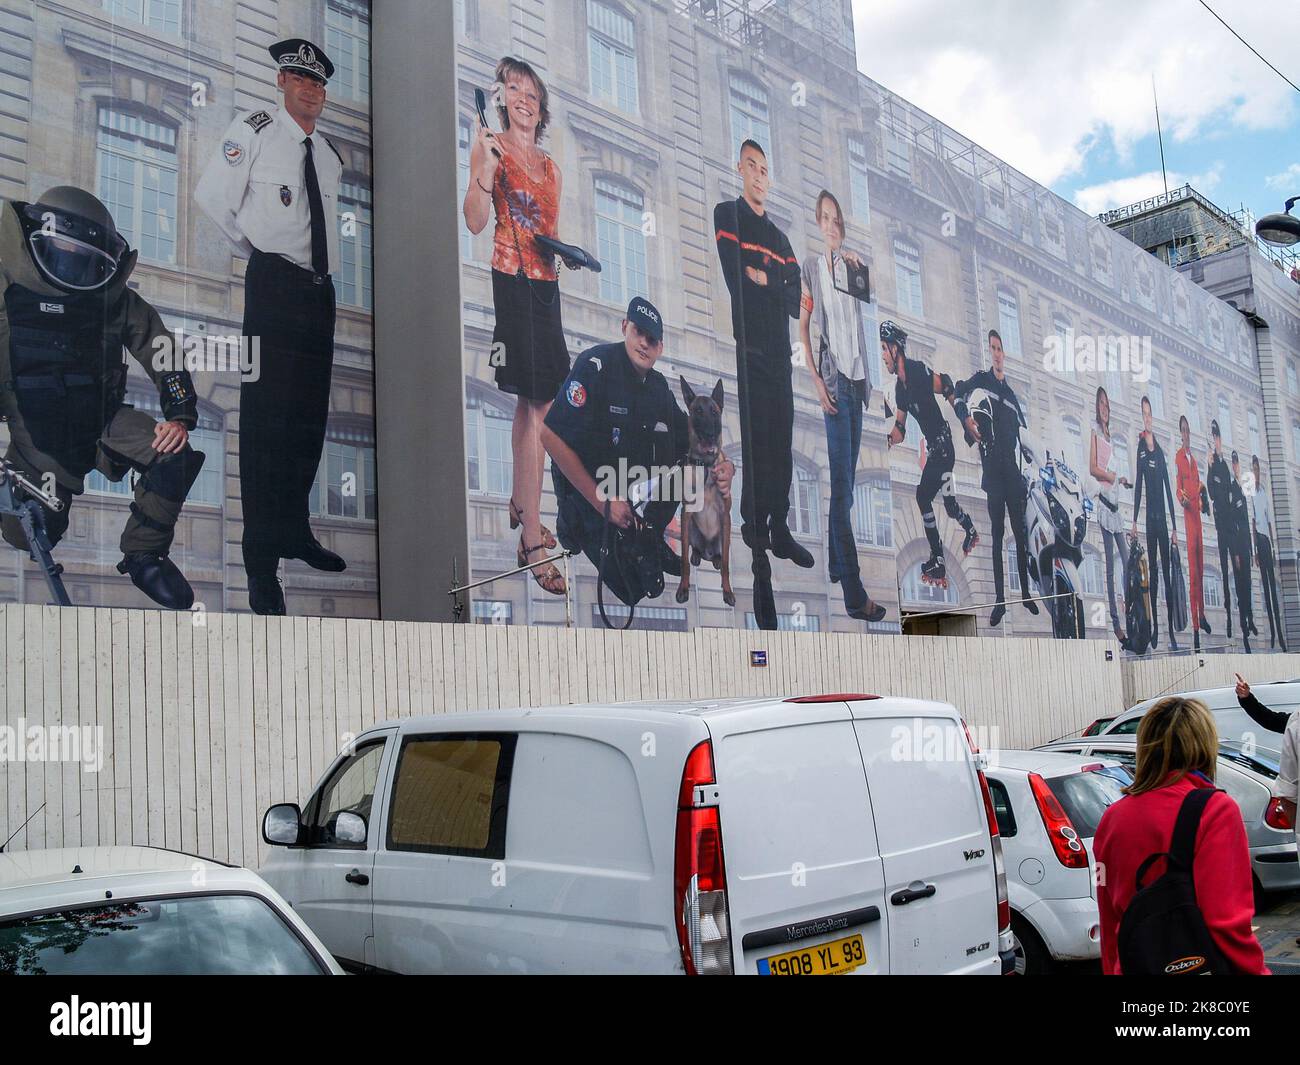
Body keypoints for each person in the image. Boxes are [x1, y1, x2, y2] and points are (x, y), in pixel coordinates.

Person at [196, 38, 346, 616]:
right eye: (299, 79)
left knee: (308, 419)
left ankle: (293, 529)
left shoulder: (328, 156)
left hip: (318, 293)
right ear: (281, 82)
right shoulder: (254, 130)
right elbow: (214, 199)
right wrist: (262, 254)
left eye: (319, 83)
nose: (310, 90)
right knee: (264, 419)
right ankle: (260, 561)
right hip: (274, 287)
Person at [0, 188, 204, 609]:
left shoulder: (114, 298)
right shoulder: (6, 287)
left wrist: (179, 416)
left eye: (85, 258)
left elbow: (160, 349)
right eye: (64, 252)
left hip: (102, 418)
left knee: (174, 455)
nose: (73, 265)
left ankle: (145, 554)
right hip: (35, 434)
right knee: (29, 534)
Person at [461, 56, 573, 598]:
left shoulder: (552, 168)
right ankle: (531, 538)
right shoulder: (491, 147)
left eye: (532, 91)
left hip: (547, 289)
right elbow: (476, 221)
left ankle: (518, 501)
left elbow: (545, 228)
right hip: (512, 282)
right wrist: (483, 166)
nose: (524, 99)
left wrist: (564, 256)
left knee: (533, 406)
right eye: (514, 89)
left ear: (541, 103)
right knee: (540, 407)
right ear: (501, 96)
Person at [540, 298, 733, 607]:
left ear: (660, 348)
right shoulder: (596, 365)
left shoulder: (657, 387)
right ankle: (610, 536)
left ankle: (650, 537)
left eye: (652, 339)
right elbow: (549, 436)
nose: (644, 343)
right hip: (588, 496)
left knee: (692, 470)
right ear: (624, 328)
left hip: (629, 494)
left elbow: (691, 439)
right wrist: (604, 504)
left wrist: (726, 466)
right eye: (638, 332)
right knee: (629, 591)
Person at [1094, 695, 1268, 975]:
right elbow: (1226, 921)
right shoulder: (1215, 810)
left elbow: (1108, 912)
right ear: (1204, 745)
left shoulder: (1111, 818)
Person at [713, 139, 811, 591]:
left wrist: (764, 278)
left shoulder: (780, 239)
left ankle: (779, 526)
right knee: (756, 443)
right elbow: (737, 278)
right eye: (750, 165)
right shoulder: (726, 215)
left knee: (781, 442)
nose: (757, 174)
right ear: (739, 169)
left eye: (764, 168)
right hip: (749, 348)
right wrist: (769, 281)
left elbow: (796, 301)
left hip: (779, 356)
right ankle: (754, 534)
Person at [797, 190, 885, 623]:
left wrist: (856, 269)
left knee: (846, 483)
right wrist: (814, 379)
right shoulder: (812, 268)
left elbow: (865, 306)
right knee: (843, 487)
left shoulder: (853, 267)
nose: (831, 225)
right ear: (818, 222)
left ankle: (834, 563)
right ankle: (854, 593)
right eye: (825, 218)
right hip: (833, 385)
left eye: (837, 219)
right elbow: (804, 327)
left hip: (856, 386)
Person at [881, 320, 978, 589]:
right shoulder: (900, 389)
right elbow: (900, 430)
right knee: (948, 505)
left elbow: (946, 384)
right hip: (939, 451)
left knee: (922, 496)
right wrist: (885, 441)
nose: (882, 356)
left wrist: (965, 418)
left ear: (895, 349)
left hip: (944, 447)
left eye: (884, 349)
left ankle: (937, 559)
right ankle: (970, 529)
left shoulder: (917, 371)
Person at [954, 330, 1039, 627]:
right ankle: (1000, 602)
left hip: (1013, 476)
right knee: (997, 536)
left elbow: (1025, 436)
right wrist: (966, 419)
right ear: (989, 353)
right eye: (992, 348)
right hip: (993, 473)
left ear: (1005, 353)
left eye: (1000, 348)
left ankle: (1026, 593)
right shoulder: (981, 381)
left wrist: (1036, 462)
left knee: (1019, 535)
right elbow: (957, 391)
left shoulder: (1013, 397)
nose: (997, 353)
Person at [1131, 395, 1179, 651]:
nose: (1147, 418)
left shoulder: (1159, 451)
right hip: (1149, 521)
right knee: (1153, 578)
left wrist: (1173, 528)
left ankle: (1170, 631)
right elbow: (1139, 485)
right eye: (1144, 414)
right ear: (1142, 417)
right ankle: (1155, 629)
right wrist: (1135, 521)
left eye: (1150, 414)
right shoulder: (1140, 449)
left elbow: (1169, 491)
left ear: (1153, 417)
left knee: (1169, 579)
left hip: (1163, 523)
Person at [1090, 386, 1131, 644]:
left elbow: (1112, 468)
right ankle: (1116, 625)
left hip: (1116, 508)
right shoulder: (1094, 432)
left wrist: (1122, 479)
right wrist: (1112, 476)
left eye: (1107, 404)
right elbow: (1094, 468)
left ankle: (1130, 607)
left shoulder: (1111, 436)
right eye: (1101, 404)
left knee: (1127, 562)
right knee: (1109, 570)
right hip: (1104, 506)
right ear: (1097, 407)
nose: (1105, 408)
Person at [1175, 414, 1211, 653]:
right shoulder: (1179, 457)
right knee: (1194, 574)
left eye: (1189, 430)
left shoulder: (1195, 460)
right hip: (1189, 519)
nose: (1187, 434)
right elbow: (1179, 489)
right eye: (1184, 431)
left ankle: (1204, 615)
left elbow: (1197, 483)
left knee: (1201, 568)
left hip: (1198, 518)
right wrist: (1184, 499)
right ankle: (1196, 628)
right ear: (1181, 433)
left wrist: (1202, 493)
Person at [1251, 456, 1286, 651]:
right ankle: (1272, 632)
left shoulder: (1264, 492)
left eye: (1257, 469)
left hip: (1267, 543)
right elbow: (1253, 523)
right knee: (1265, 587)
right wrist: (1255, 550)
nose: (1256, 472)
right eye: (1253, 469)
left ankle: (1279, 634)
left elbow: (1269, 521)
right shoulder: (1252, 494)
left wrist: (1272, 547)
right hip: (1259, 542)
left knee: (1273, 589)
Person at [1206, 420, 1236, 640]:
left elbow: (1230, 490)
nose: (1217, 442)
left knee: (1236, 569)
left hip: (1232, 526)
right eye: (1214, 437)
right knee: (1224, 570)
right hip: (1221, 526)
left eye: (1218, 437)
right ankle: (1228, 617)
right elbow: (1213, 494)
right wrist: (1209, 467)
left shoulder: (1224, 465)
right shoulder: (1214, 467)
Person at [1229, 451, 1256, 652]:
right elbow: (1233, 525)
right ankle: (1244, 626)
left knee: (1248, 583)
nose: (1236, 467)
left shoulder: (1246, 484)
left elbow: (1250, 519)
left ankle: (1251, 619)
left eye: (1238, 463)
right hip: (1237, 546)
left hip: (1247, 544)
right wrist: (1237, 552)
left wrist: (1252, 548)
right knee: (1241, 586)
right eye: (1234, 463)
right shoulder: (1231, 489)